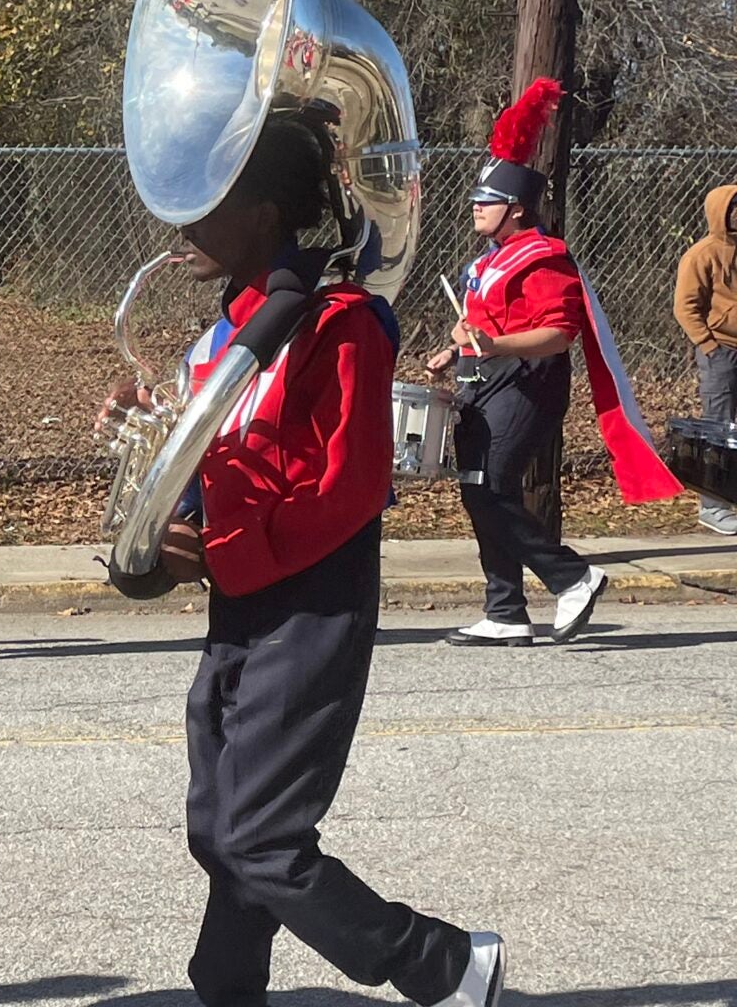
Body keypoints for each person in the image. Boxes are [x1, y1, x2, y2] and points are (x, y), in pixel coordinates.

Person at [119, 117, 505, 1007]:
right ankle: (225, 984)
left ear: (261, 214)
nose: (183, 224)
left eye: (206, 202)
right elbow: (223, 460)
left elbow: (346, 492)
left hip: (311, 604)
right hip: (244, 603)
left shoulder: (342, 323)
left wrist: (214, 554)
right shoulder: (227, 331)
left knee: (260, 834)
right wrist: (151, 456)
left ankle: (443, 964)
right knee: (218, 825)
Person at [424, 79, 679, 647]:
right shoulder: (487, 262)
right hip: (483, 384)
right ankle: (506, 610)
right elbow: (482, 326)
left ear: (514, 209)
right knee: (480, 489)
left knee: (489, 488)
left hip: (527, 386)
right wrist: (457, 346)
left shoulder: (545, 257)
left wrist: (495, 346)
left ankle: (574, 576)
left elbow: (558, 333)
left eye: (484, 203)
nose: (474, 208)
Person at [672, 185, 737, 534]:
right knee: (720, 429)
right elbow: (685, 307)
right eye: (734, 208)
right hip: (720, 352)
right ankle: (713, 506)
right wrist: (708, 345)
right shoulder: (702, 254)